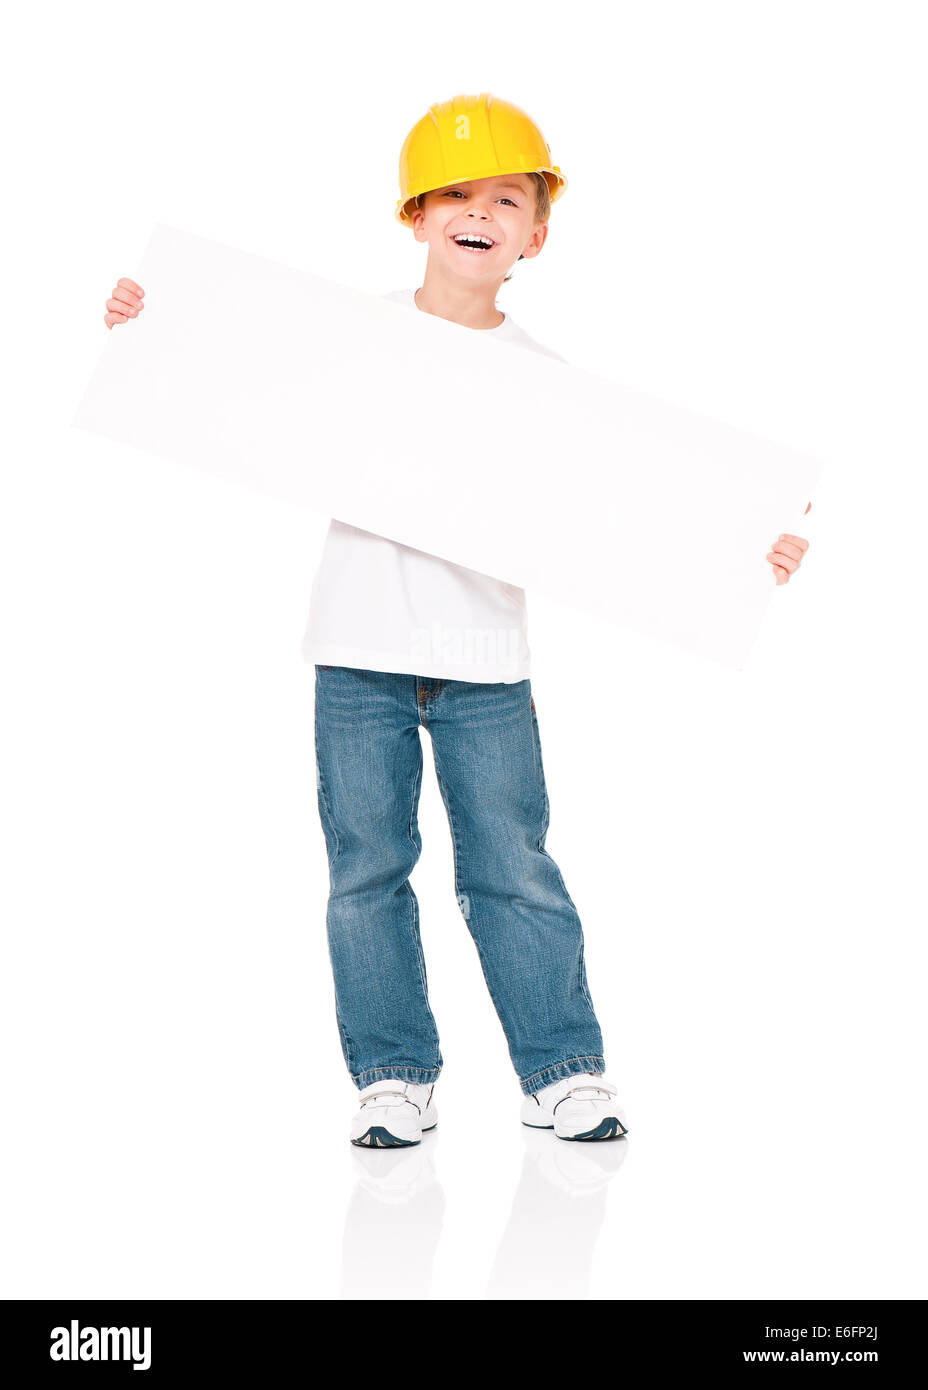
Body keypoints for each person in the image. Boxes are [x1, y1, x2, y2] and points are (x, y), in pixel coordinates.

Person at [102, 93, 811, 1150]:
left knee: (512, 869)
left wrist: (746, 552)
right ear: (415, 217)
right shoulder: (342, 338)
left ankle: (560, 1072)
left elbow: (632, 514)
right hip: (356, 656)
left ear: (537, 231)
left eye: (505, 198)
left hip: (486, 668)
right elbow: (226, 375)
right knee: (365, 872)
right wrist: (146, 324)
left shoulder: (551, 387)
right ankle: (392, 1077)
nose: (478, 213)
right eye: (456, 195)